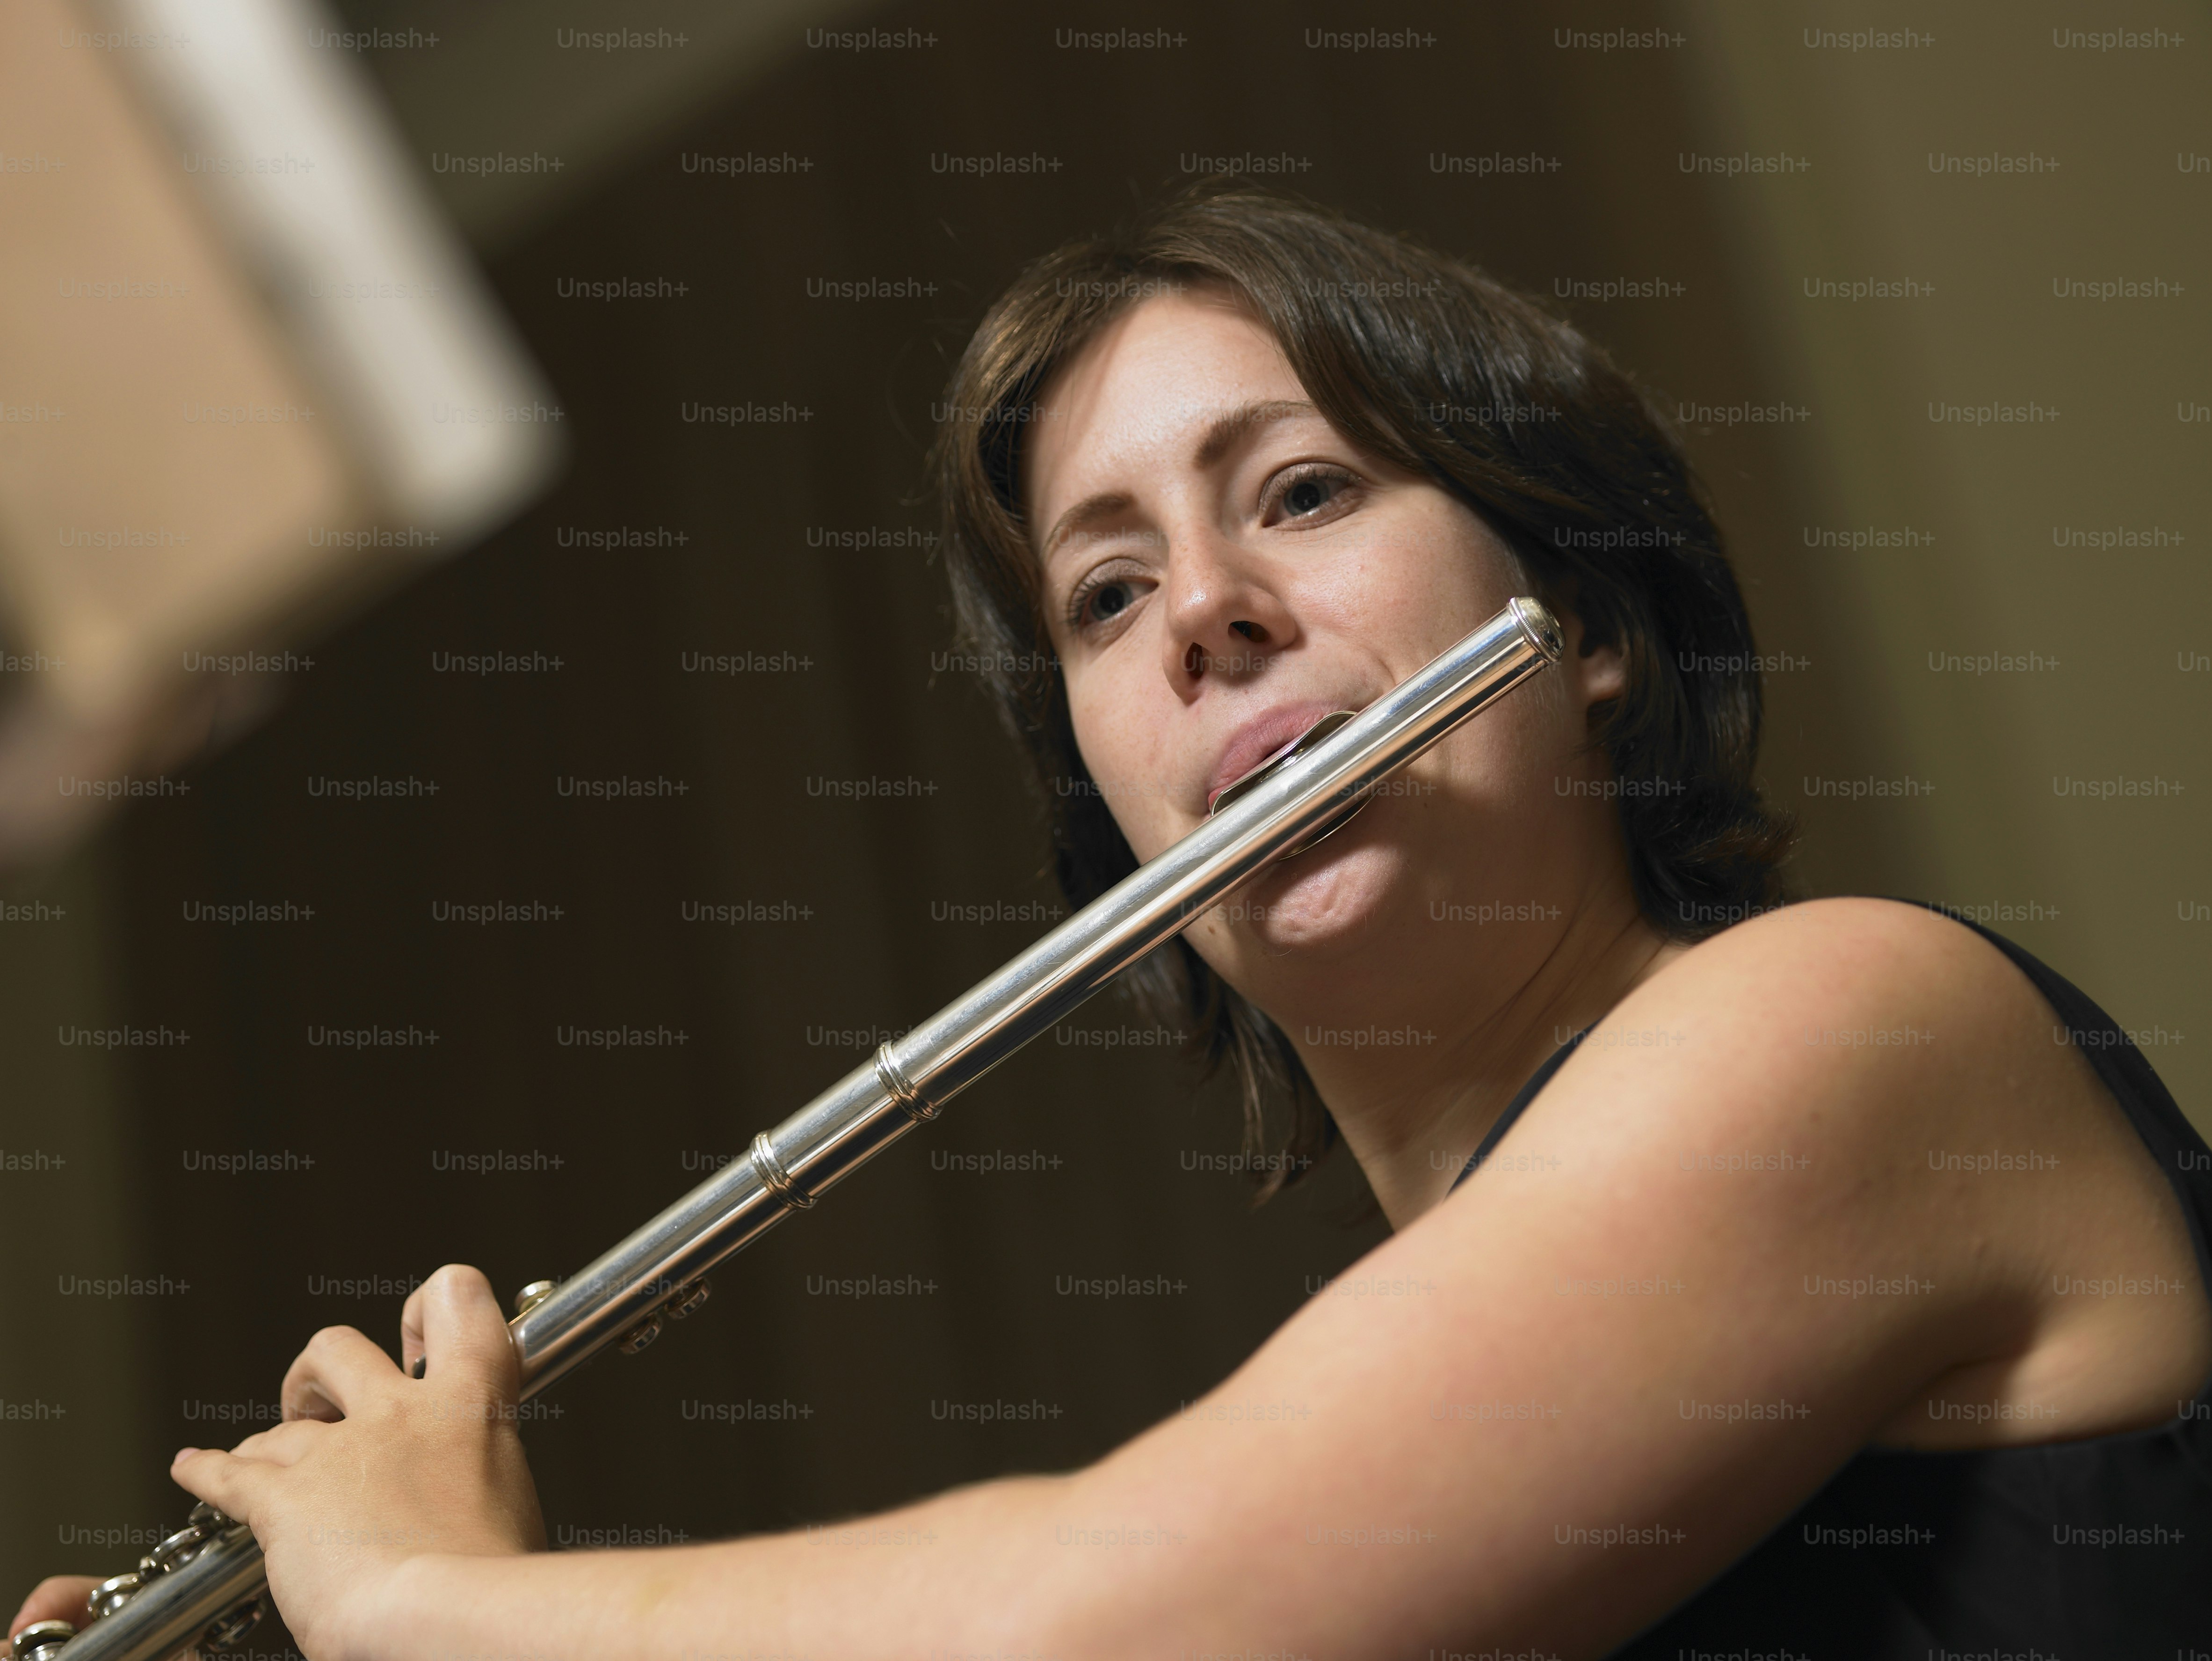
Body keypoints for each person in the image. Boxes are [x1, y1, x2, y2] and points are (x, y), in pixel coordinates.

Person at [15, 183, 2210, 1659]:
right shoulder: (1376, 1455)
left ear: (1588, 620)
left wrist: (426, 1603)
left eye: (1303, 492)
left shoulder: (1852, 1021)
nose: (1205, 616)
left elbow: (1105, 1621)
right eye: (1103, 591)